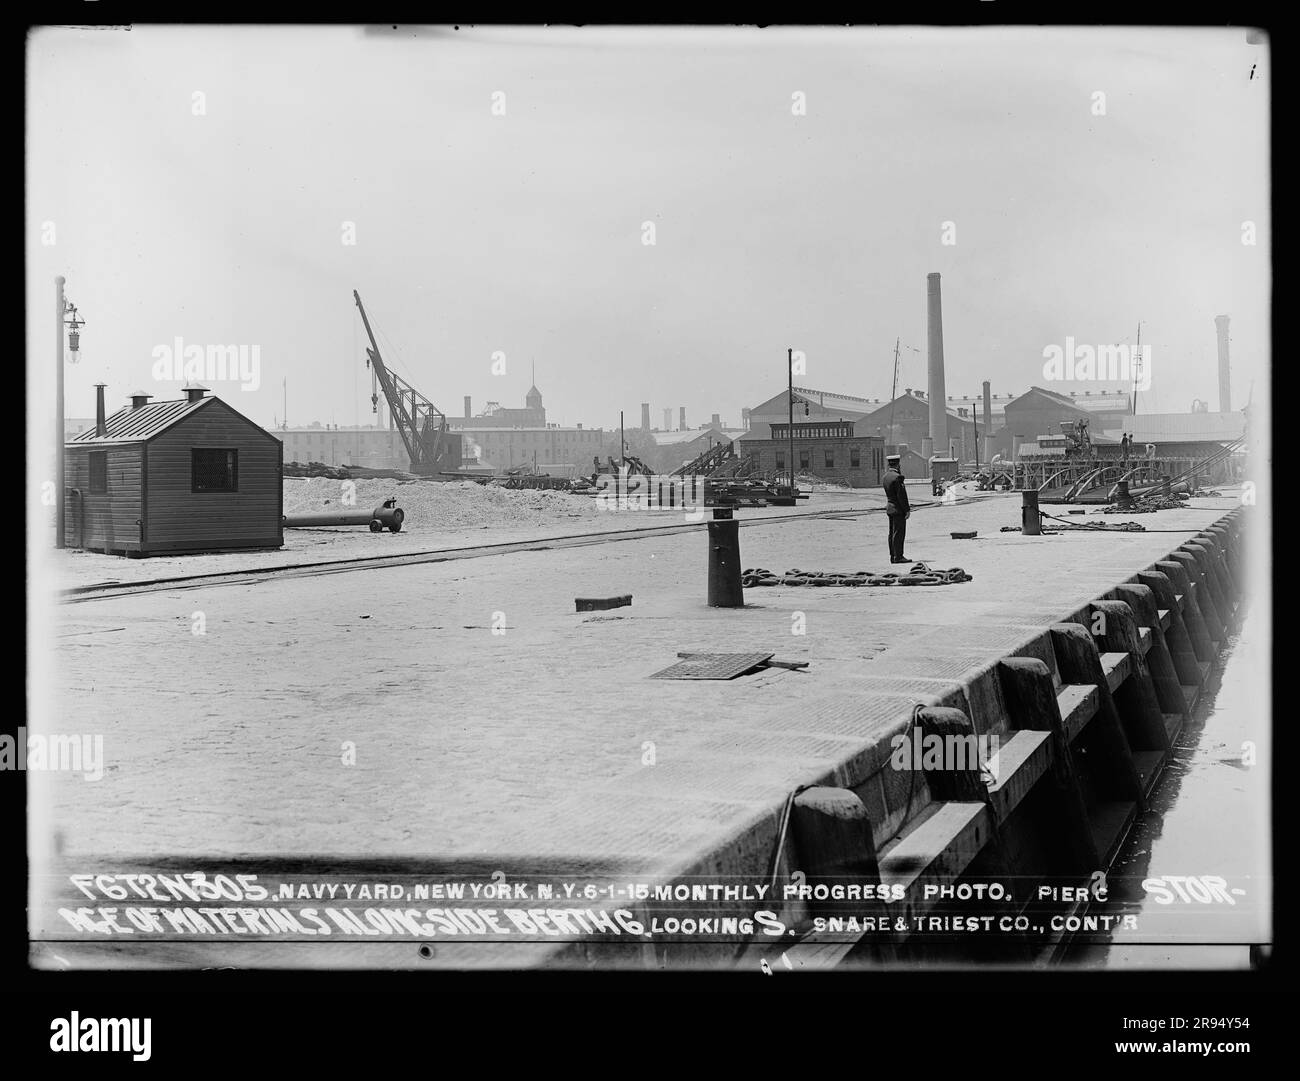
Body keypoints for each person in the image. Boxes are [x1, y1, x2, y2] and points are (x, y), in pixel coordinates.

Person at [882, 453, 911, 563]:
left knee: (891, 533)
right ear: (898, 464)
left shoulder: (885, 477)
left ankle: (892, 556)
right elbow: (902, 496)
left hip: (890, 508)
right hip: (898, 510)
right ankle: (899, 556)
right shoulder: (897, 477)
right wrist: (907, 510)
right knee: (899, 533)